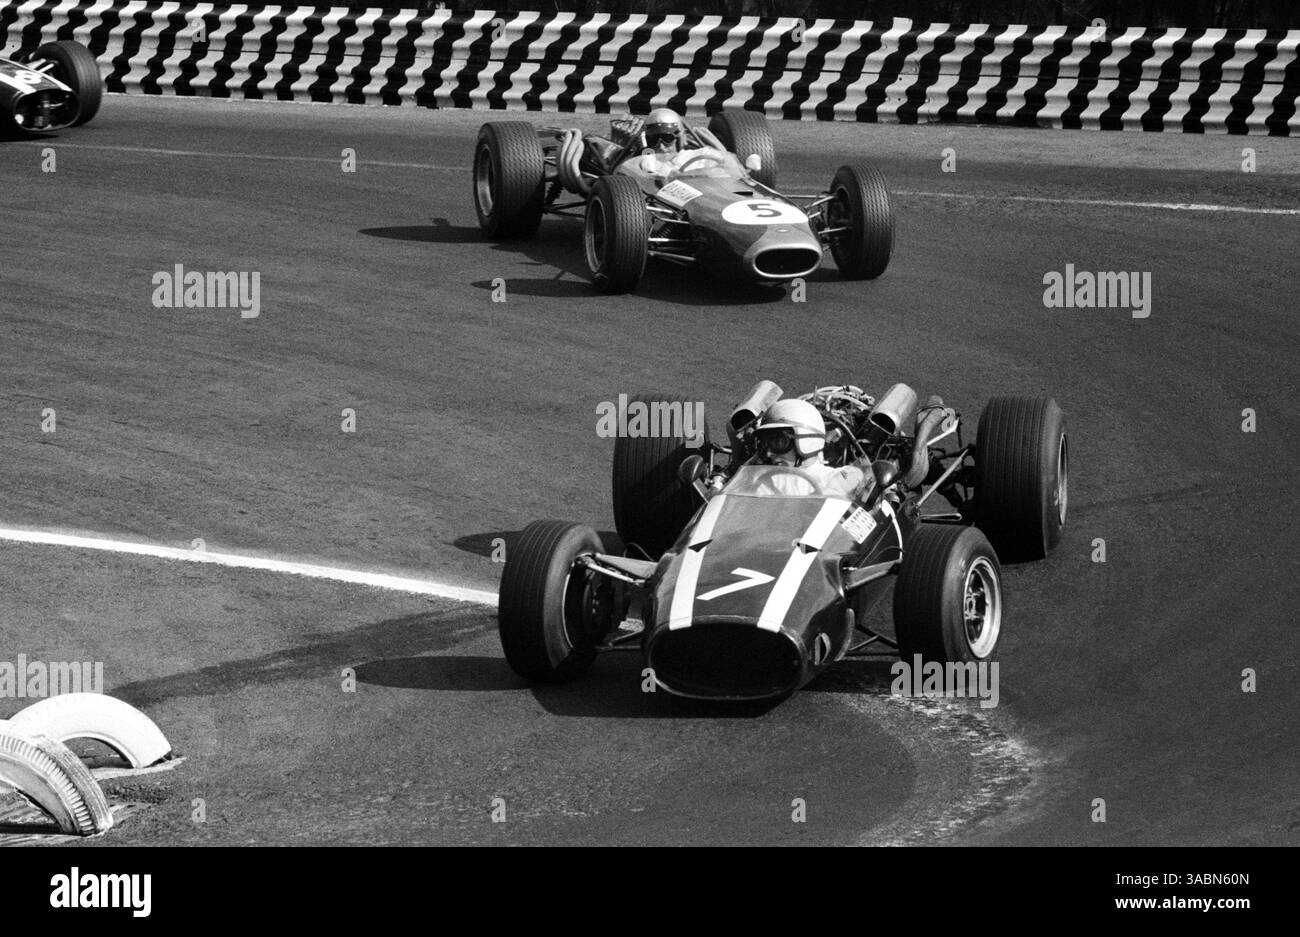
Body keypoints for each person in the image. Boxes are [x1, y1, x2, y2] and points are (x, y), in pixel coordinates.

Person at [752, 399, 871, 500]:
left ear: (806, 439)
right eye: (765, 445)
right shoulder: (763, 482)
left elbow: (858, 474)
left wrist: (830, 492)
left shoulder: (830, 478)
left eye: (778, 443)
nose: (768, 453)